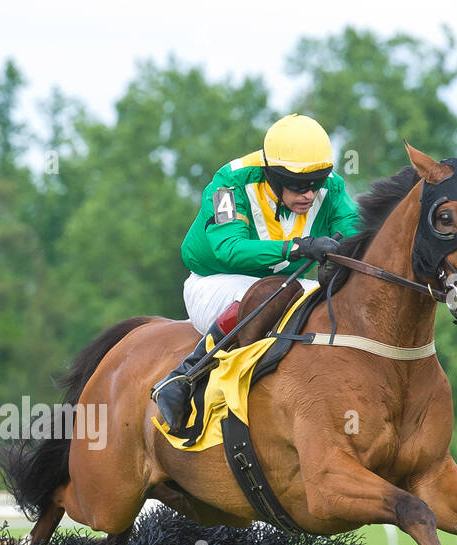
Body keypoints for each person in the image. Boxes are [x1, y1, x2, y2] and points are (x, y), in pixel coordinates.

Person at [152, 114, 362, 433]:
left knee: (331, 301)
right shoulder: (228, 184)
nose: (308, 194)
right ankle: (184, 376)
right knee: (271, 293)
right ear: (272, 175)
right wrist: (298, 247)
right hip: (215, 282)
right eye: (297, 186)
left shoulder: (332, 188)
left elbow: (356, 233)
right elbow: (229, 248)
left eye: (316, 184)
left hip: (288, 285)